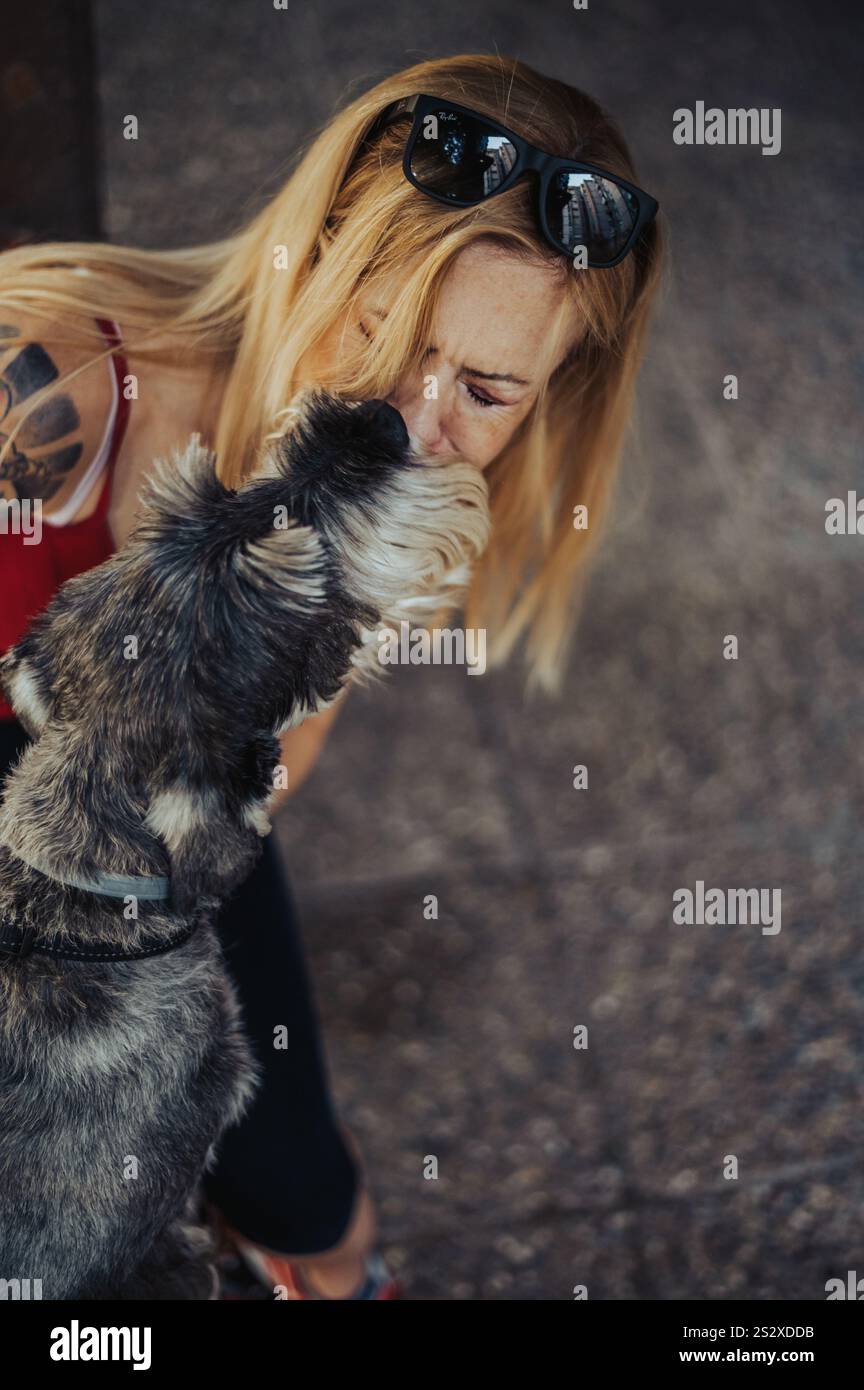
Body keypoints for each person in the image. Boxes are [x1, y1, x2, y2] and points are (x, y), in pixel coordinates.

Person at [0, 53, 663, 1299]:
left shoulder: (417, 495)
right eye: (386, 332)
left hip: (173, 839)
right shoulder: (47, 376)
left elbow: (272, 780)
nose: (412, 423)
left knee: (322, 1227)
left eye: (485, 387)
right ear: (311, 252)